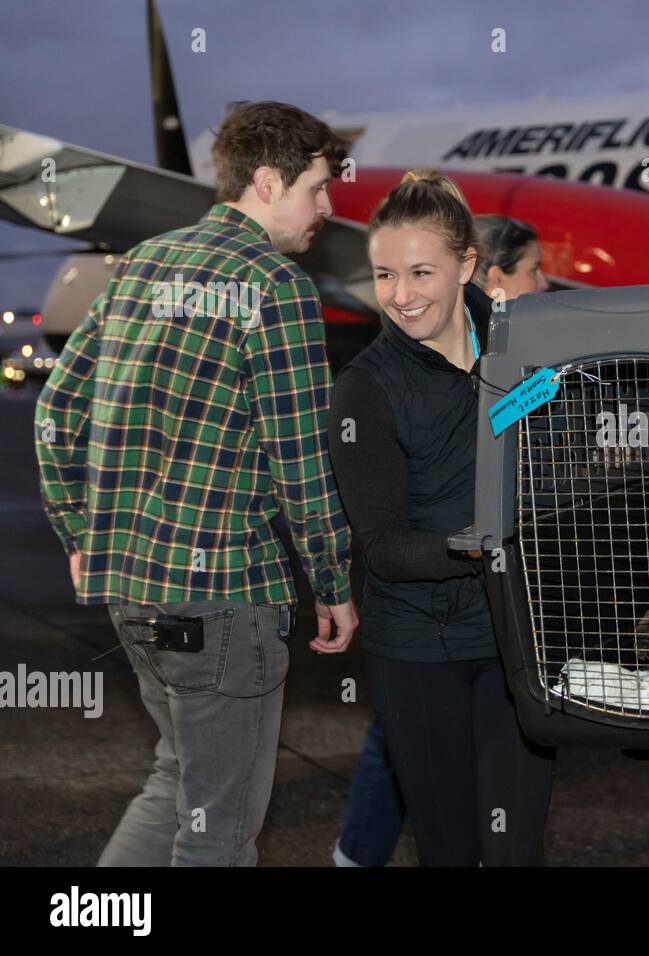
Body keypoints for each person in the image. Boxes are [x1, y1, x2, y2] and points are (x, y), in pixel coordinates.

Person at [34, 100, 360, 866]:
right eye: (317, 188)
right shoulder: (277, 287)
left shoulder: (142, 264)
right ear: (269, 180)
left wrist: (79, 532)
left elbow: (55, 412)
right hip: (223, 599)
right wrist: (333, 583)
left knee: (176, 782)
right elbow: (302, 462)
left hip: (132, 591)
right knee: (219, 835)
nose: (328, 207)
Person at [327, 170, 554, 866]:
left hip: (518, 639)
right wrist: (482, 546)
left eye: (421, 271)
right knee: (450, 847)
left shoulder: (525, 350)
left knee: (515, 849)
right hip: (421, 651)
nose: (400, 295)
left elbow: (559, 454)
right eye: (385, 274)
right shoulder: (365, 390)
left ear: (467, 266)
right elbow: (386, 547)